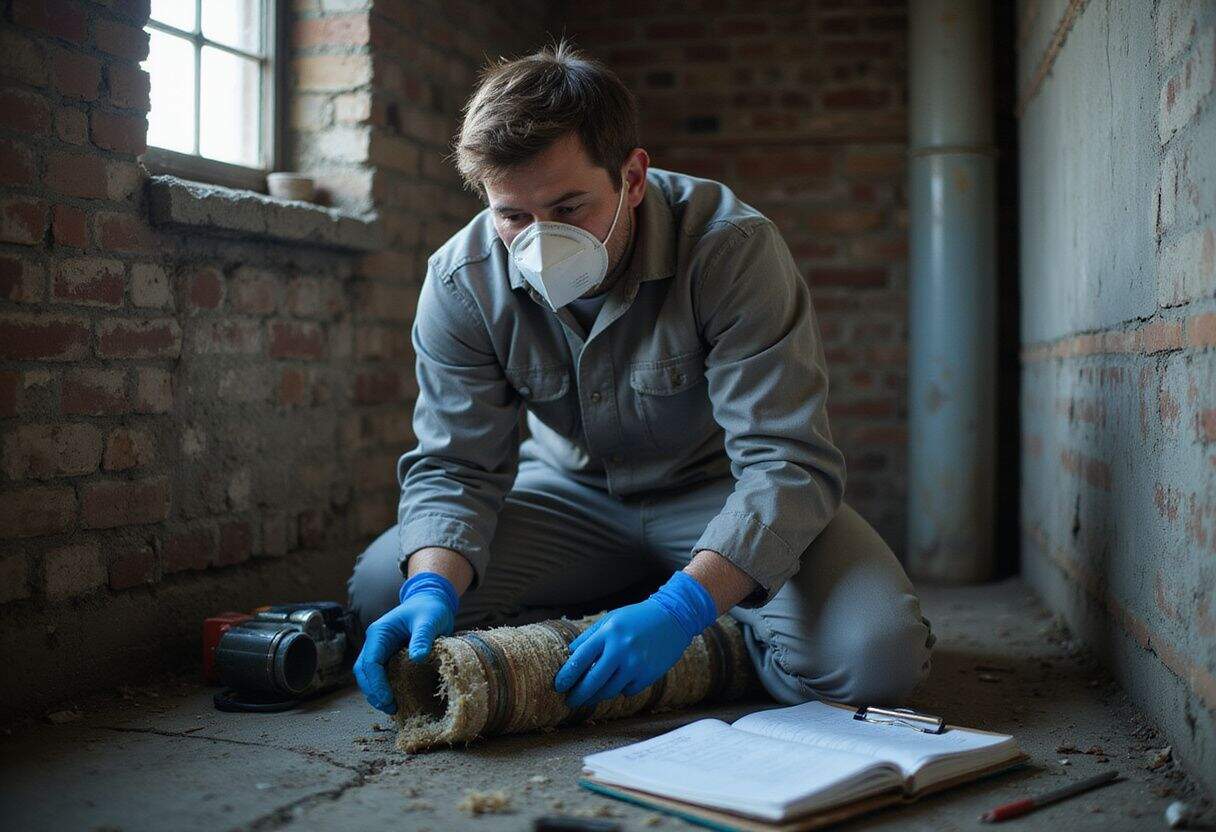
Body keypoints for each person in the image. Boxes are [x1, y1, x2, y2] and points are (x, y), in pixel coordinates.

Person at [347, 40, 935, 716]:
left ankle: (703, 622)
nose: (539, 244)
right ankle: (701, 617)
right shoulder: (461, 279)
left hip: (719, 494)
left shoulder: (731, 249)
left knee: (875, 658)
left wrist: (683, 607)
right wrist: (429, 592)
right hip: (570, 497)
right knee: (384, 593)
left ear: (632, 177)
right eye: (512, 215)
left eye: (569, 209)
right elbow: (456, 466)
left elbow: (786, 462)